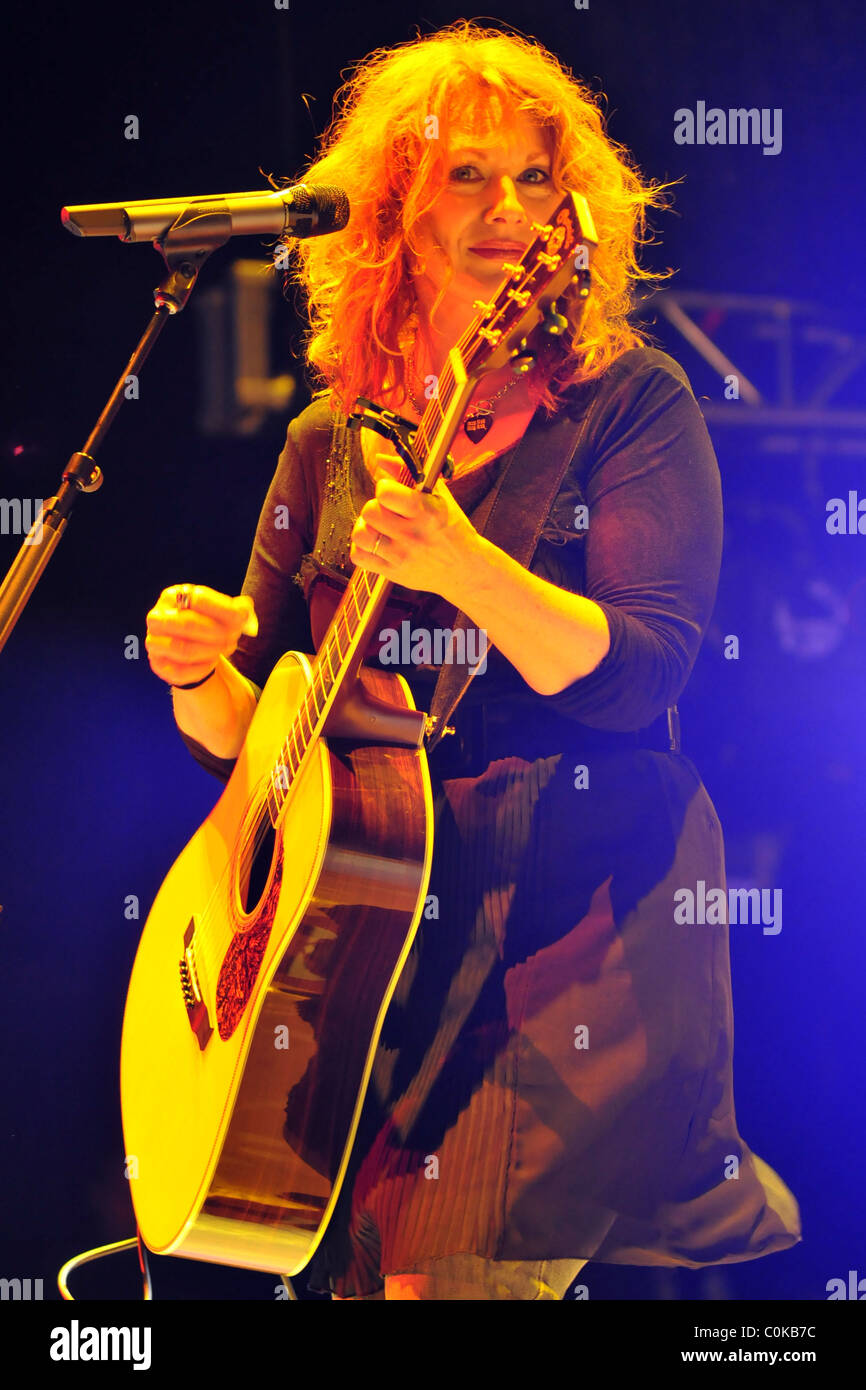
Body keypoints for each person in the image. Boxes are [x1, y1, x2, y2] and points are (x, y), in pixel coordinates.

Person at [144, 21, 801, 1300]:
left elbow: (641, 671)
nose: (507, 208)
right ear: (390, 211)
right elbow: (263, 731)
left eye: (534, 178)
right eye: (465, 175)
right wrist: (195, 668)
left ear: (572, 214)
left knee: (444, 1285)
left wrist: (462, 566)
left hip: (572, 919)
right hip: (377, 939)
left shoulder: (628, 399)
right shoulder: (330, 436)